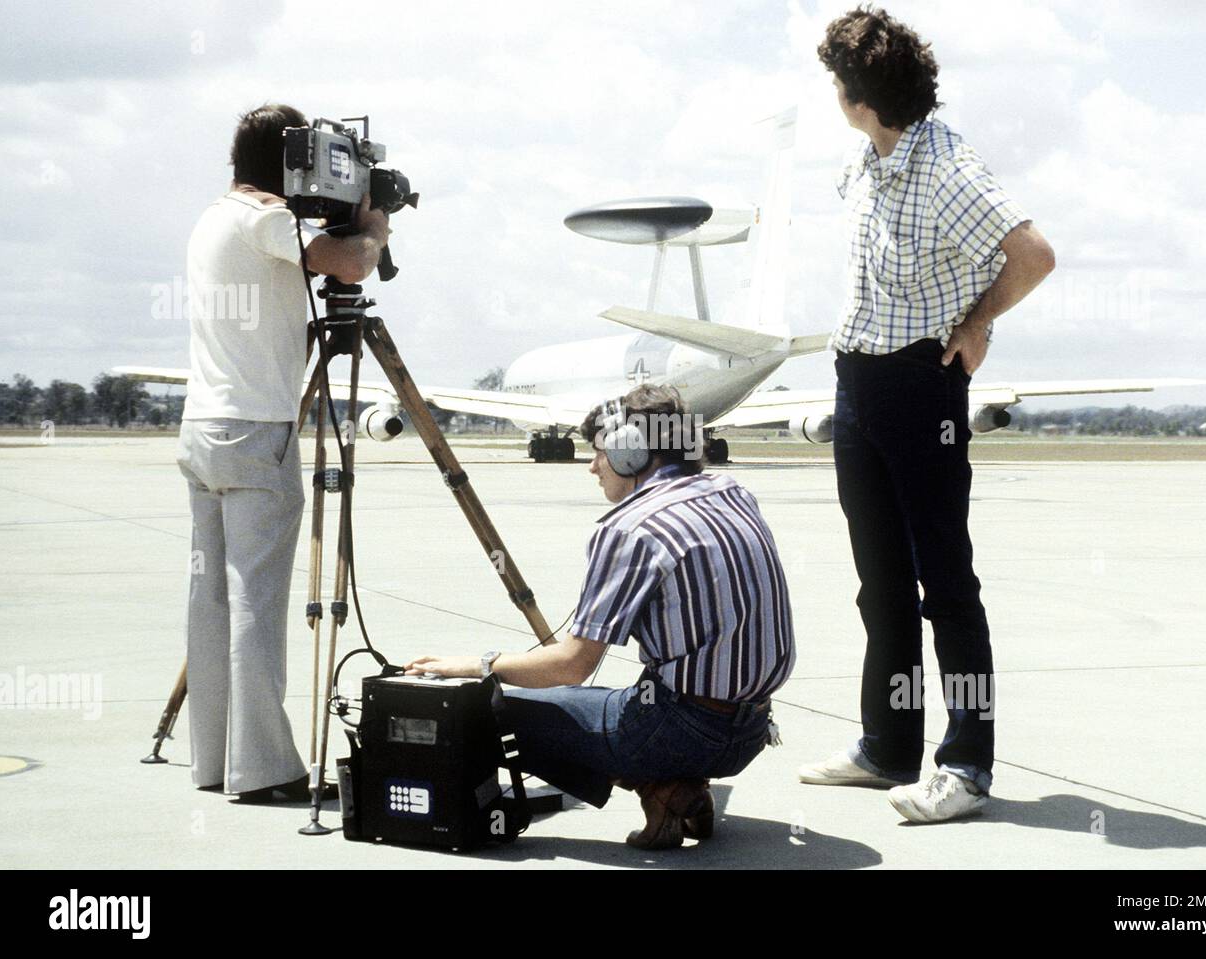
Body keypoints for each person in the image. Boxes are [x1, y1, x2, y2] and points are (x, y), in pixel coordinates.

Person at [797, 7, 1055, 823]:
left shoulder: (948, 169)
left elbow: (1033, 254)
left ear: (858, 96)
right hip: (857, 380)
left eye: (838, 85)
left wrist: (978, 322)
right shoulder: (872, 155)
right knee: (882, 584)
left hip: (919, 383)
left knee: (946, 583)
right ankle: (888, 745)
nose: (834, 95)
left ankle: (967, 763)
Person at [404, 385, 796, 849]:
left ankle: (660, 784)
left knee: (483, 713)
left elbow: (570, 664)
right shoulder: (732, 492)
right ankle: (671, 787)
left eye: (599, 453)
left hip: (682, 730)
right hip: (752, 730)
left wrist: (475, 665)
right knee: (582, 701)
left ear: (631, 453)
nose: (591, 466)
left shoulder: (633, 527)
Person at [178, 103, 391, 801]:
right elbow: (351, 265)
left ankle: (215, 761)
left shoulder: (212, 219)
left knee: (210, 601)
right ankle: (266, 770)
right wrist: (372, 223)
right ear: (289, 161)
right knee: (255, 605)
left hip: (204, 428)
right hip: (254, 431)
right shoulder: (266, 221)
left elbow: (270, 322)